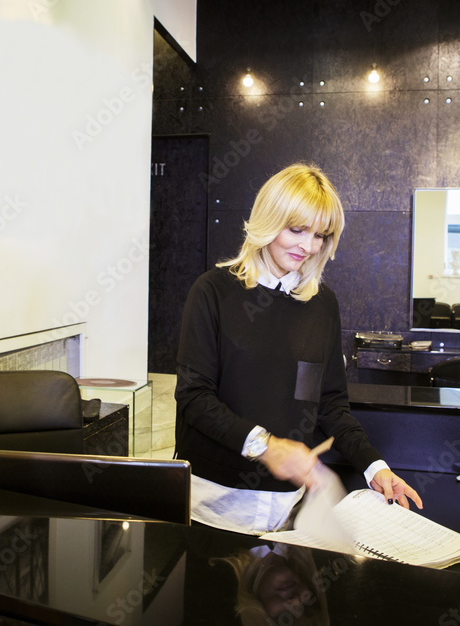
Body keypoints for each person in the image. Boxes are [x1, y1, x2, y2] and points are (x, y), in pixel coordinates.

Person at [175, 163, 422, 535]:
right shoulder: (212, 292)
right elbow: (194, 399)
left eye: (321, 235)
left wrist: (375, 467)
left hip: (290, 510)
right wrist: (266, 446)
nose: (309, 247)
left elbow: (330, 405)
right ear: (268, 220)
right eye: (297, 230)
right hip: (212, 506)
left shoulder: (322, 305)